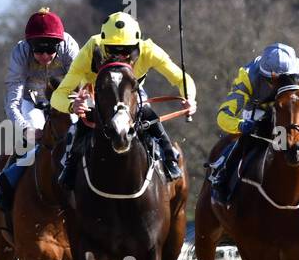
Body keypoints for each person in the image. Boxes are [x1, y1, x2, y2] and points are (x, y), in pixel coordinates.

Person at [53, 12, 197, 190]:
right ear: (103, 44)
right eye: (112, 50)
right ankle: (71, 165)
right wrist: (72, 105)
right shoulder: (91, 49)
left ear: (137, 44)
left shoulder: (149, 50)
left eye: (127, 50)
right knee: (86, 119)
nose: (120, 56)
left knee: (146, 110)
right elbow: (57, 96)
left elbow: (181, 79)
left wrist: (189, 98)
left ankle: (169, 157)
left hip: (130, 91)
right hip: (98, 92)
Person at [209, 42, 299, 205]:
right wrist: (241, 125)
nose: (277, 85)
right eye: (271, 80)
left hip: (288, 116)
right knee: (243, 140)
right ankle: (223, 174)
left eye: (284, 81)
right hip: (257, 114)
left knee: (297, 134)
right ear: (264, 74)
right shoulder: (248, 75)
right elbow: (224, 116)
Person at [0, 8, 79, 212]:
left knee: (77, 138)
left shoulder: (69, 47)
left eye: (49, 51)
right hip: (32, 102)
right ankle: (3, 183)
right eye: (38, 51)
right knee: (32, 143)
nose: (44, 56)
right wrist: (25, 128)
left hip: (64, 100)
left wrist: (79, 106)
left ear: (59, 45)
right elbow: (13, 102)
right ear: (29, 46)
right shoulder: (20, 52)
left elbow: (81, 85)